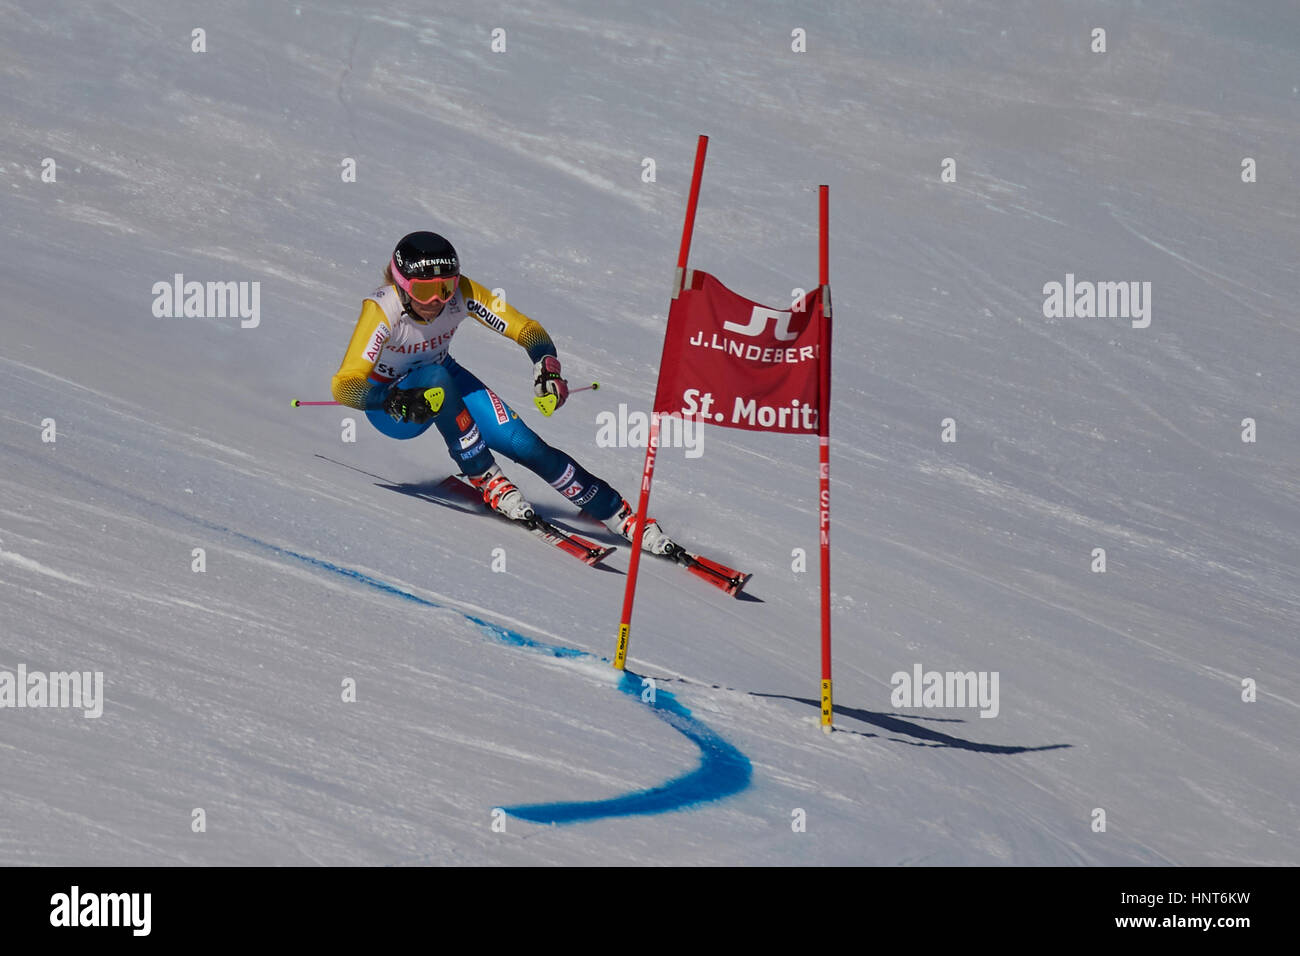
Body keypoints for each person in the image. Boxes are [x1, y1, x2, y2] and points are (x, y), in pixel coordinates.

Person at [331, 230, 674, 554]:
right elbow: (344, 385)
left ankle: (617, 513)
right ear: (402, 286)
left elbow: (525, 327)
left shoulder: (463, 293)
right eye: (424, 292)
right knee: (436, 375)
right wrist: (389, 399)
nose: (436, 301)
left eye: (446, 288)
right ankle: (485, 475)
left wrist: (545, 363)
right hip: (393, 406)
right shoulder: (382, 309)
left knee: (526, 444)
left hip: (444, 383)